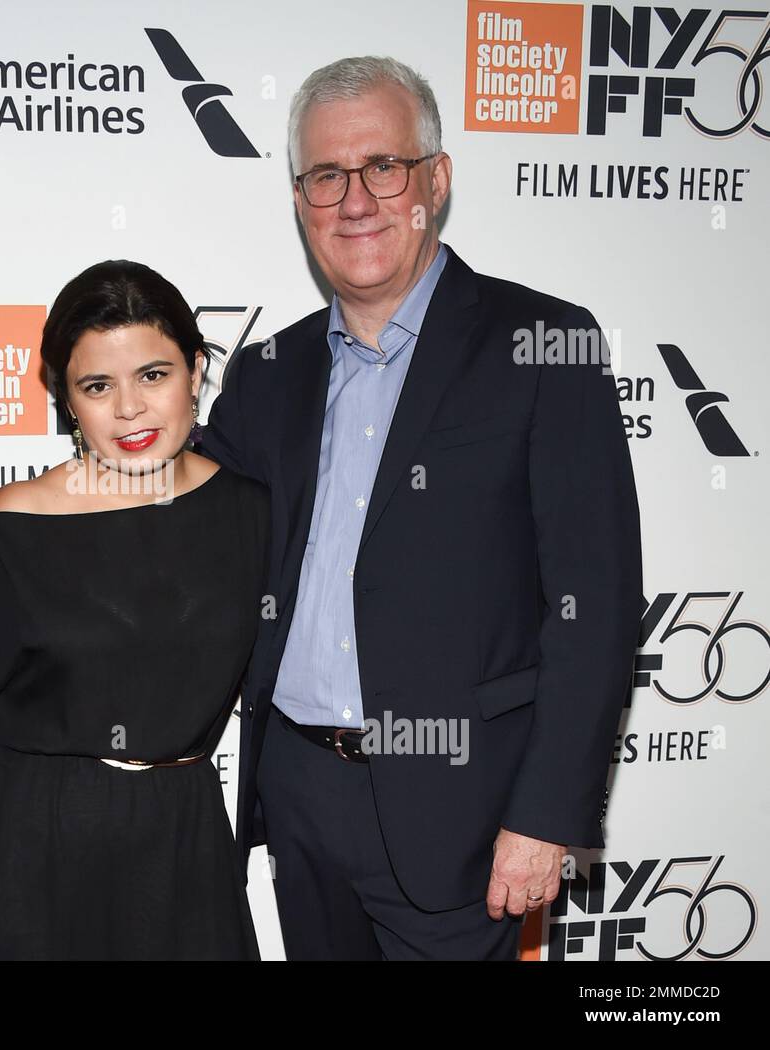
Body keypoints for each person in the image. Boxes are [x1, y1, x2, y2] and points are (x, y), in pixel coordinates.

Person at [198, 56, 642, 960]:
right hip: (299, 799)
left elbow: (594, 606)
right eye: (326, 175)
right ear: (299, 200)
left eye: (383, 167)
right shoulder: (265, 375)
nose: (354, 198)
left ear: (434, 181)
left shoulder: (544, 344)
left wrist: (547, 816)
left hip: (466, 816)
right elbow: (180, 538)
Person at [0, 260, 268, 959]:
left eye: (153, 375)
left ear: (196, 369)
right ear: (67, 400)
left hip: (185, 837)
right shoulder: (11, 523)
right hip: (34, 842)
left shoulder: (252, 512)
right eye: (98, 386)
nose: (129, 409)